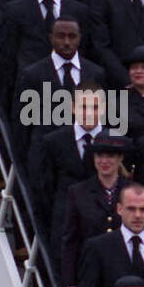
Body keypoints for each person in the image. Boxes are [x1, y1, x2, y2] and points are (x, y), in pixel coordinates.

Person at [0, 0, 91, 106]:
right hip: (29, 94)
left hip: (69, 92)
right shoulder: (14, 10)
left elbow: (84, 51)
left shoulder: (79, 11)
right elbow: (6, 58)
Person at [28, 86, 106, 260]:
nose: (88, 113)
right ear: (72, 107)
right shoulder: (54, 141)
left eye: (94, 107)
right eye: (83, 107)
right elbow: (44, 186)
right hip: (64, 225)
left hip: (102, 229)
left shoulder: (115, 141)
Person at [61, 130, 132, 287]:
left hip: (124, 269)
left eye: (111, 156)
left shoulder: (132, 190)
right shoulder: (78, 192)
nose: (105, 161)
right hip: (89, 272)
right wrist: (69, 281)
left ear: (120, 158)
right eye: (100, 155)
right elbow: (71, 239)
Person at [14, 19, 105, 146]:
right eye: (61, 36)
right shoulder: (32, 74)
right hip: (45, 151)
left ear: (80, 38)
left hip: (84, 150)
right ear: (51, 38)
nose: (67, 42)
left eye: (72, 36)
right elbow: (23, 122)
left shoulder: (95, 73)